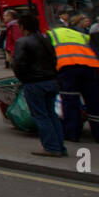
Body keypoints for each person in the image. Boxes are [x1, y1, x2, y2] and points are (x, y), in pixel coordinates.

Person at [46, 14, 99, 144]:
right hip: (90, 68)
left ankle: (72, 134)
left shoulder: (52, 35)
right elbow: (98, 53)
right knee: (94, 103)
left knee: (70, 102)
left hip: (68, 69)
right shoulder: (82, 36)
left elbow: (48, 56)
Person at [12, 13, 67, 157]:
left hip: (34, 83)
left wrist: (23, 79)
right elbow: (54, 59)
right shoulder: (46, 40)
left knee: (41, 116)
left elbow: (18, 64)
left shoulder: (22, 42)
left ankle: (51, 147)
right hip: (51, 81)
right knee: (51, 114)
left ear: (22, 26)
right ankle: (60, 146)